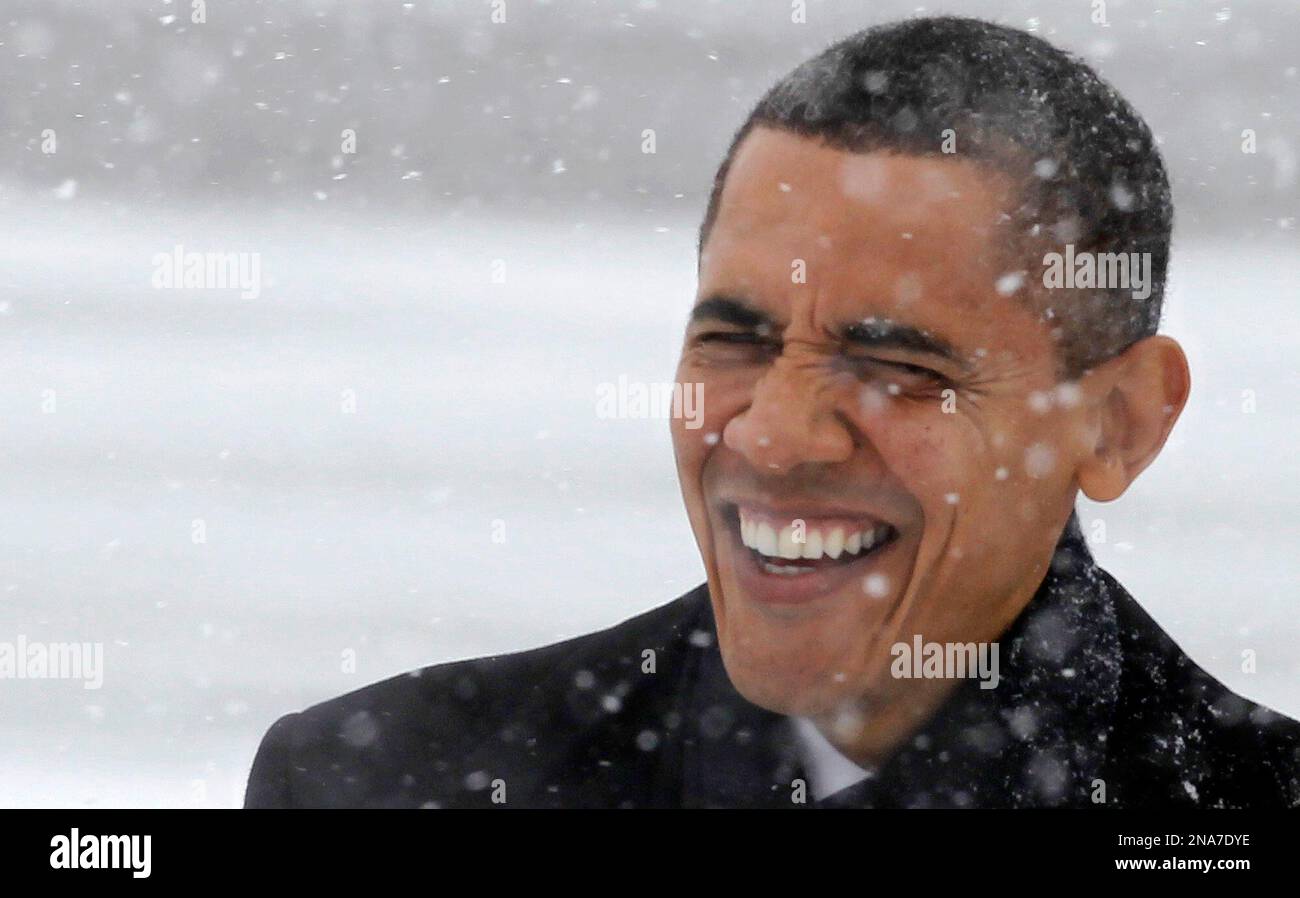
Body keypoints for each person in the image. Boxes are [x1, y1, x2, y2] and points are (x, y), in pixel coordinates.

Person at [245, 16, 1299, 808]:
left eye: (894, 361)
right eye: (736, 341)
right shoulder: (390, 782)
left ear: (1118, 423)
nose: (773, 434)